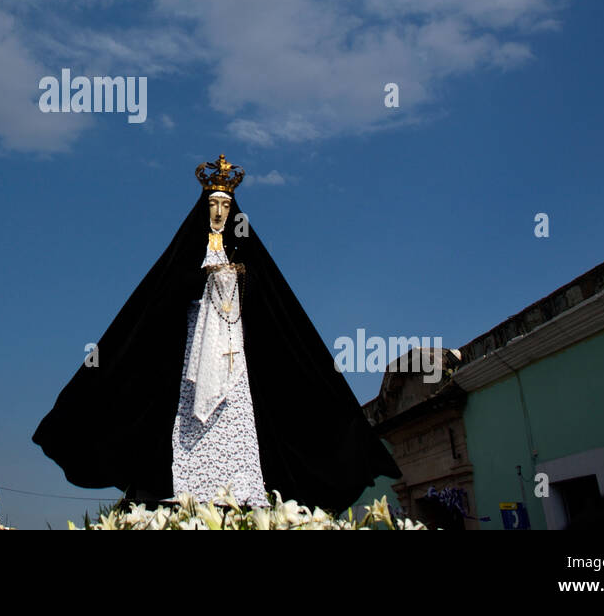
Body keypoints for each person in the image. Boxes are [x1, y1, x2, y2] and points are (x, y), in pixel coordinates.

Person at [33, 154, 401, 511]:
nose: (220, 211)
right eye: (214, 204)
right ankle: (183, 487)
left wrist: (241, 278)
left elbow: (274, 303)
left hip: (234, 349)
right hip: (193, 347)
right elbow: (162, 295)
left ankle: (241, 487)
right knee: (185, 416)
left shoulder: (244, 250)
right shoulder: (189, 251)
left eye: (225, 204)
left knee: (239, 416)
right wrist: (203, 279)